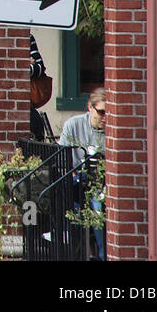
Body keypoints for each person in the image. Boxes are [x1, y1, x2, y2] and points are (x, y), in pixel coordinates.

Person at [59, 87, 106, 259]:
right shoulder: (75, 125)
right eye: (101, 112)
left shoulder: (115, 131)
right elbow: (61, 159)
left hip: (102, 188)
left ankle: (101, 255)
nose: (105, 117)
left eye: (109, 113)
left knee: (97, 207)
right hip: (76, 186)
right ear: (90, 107)